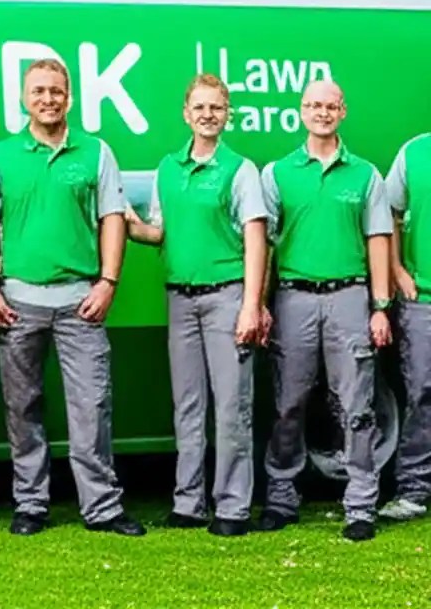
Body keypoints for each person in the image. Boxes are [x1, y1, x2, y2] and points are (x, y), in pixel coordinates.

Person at [0, 58, 145, 537]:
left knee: (92, 405)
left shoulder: (95, 153)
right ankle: (31, 505)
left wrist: (108, 281)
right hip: (17, 301)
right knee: (22, 406)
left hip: (82, 300)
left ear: (70, 97)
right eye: (38, 91)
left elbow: (112, 217)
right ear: (23, 98)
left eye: (56, 91)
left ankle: (101, 507)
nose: (48, 99)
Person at [124, 74, 268, 537]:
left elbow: (255, 241)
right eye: (200, 107)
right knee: (187, 405)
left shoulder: (240, 170)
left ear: (227, 115)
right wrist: (127, 223)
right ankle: (188, 503)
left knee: (231, 406)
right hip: (180, 298)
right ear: (186, 113)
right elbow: (159, 231)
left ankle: (231, 507)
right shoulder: (168, 168)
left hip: (227, 295)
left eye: (217, 107)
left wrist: (251, 305)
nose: (208, 115)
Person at [258, 80, 392, 542]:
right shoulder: (277, 173)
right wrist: (260, 304)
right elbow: (266, 246)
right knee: (287, 404)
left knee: (356, 406)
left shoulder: (365, 175)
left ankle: (360, 506)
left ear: (343, 111)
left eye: (330, 105)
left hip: (351, 298)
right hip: (293, 298)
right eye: (314, 105)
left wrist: (380, 306)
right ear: (301, 111)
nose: (322, 112)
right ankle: (281, 499)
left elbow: (379, 240)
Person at [378, 132, 431, 522]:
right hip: (423, 300)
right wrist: (396, 270)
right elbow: (389, 213)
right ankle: (415, 490)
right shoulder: (414, 151)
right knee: (422, 396)